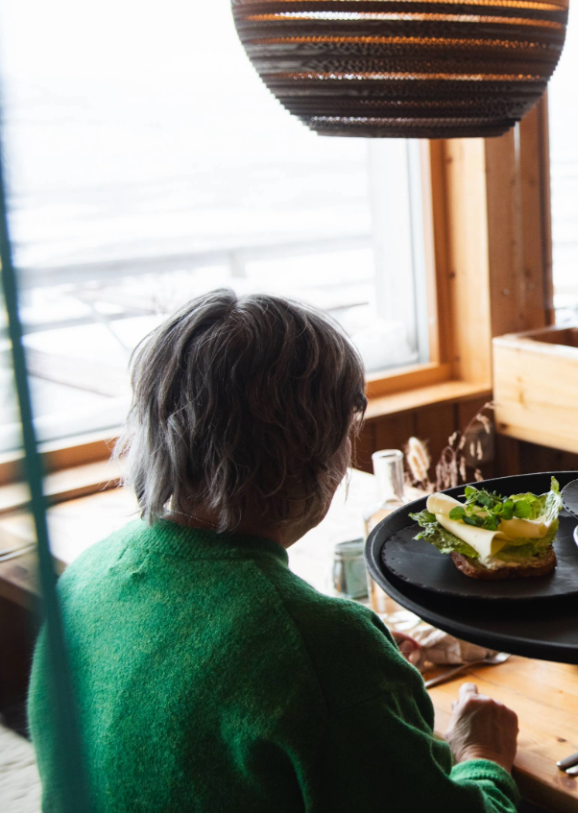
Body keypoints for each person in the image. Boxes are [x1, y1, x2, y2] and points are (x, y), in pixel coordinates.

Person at [28, 290, 524, 813]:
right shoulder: (321, 649)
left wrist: (350, 680)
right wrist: (481, 752)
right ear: (319, 445)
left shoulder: (85, 576)